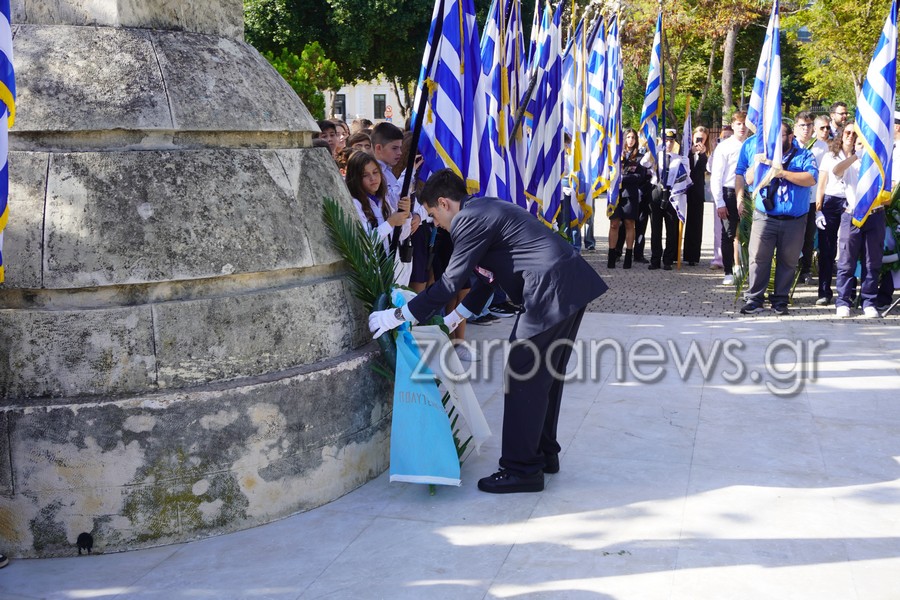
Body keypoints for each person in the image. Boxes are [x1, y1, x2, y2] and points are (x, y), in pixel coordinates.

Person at [368, 169, 608, 494]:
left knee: (524, 373)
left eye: (434, 215)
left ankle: (522, 469)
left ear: (444, 203)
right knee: (544, 373)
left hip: (548, 287)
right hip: (565, 282)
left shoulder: (468, 220)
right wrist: (452, 319)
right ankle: (543, 454)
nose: (435, 223)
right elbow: (486, 280)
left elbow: (451, 283)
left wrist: (398, 316)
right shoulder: (481, 211)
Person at [738, 121, 818, 315]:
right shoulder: (763, 154)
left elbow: (811, 178)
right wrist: (759, 162)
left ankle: (780, 300)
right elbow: (747, 178)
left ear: (790, 137)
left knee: (788, 261)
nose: (775, 141)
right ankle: (754, 299)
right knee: (758, 258)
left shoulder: (804, 155)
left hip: (794, 219)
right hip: (765, 217)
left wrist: (782, 173)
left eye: (780, 136)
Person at [832, 136, 888, 318]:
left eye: (866, 144)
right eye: (859, 143)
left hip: (875, 215)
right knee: (846, 261)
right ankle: (843, 301)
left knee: (872, 262)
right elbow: (836, 170)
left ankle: (869, 301)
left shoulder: (880, 165)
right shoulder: (849, 163)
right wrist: (856, 156)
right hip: (852, 215)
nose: (863, 147)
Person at [343, 151, 413, 283]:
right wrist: (390, 223)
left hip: (395, 269)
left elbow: (402, 236)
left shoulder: (383, 200)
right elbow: (365, 242)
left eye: (375, 172)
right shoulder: (355, 204)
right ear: (356, 179)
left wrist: (406, 215)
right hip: (374, 274)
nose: (373, 178)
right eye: (365, 175)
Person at [814, 124, 855, 306]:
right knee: (827, 249)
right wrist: (818, 210)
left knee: (851, 249)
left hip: (851, 203)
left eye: (854, 133)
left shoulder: (861, 154)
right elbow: (821, 184)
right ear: (841, 134)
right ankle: (824, 291)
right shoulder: (830, 156)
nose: (850, 136)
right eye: (847, 132)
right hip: (831, 202)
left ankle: (850, 291)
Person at [710, 111, 750, 285]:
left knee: (749, 234)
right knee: (728, 233)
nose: (742, 127)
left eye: (745, 124)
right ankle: (729, 270)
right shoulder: (724, 147)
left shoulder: (753, 144)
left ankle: (747, 269)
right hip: (729, 193)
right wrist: (719, 201)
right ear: (732, 126)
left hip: (749, 193)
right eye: (738, 124)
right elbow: (716, 176)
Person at [642, 129, 689, 270]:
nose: (668, 143)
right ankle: (655, 259)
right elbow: (644, 163)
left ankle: (668, 260)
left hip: (672, 193)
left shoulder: (680, 158)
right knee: (656, 229)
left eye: (671, 141)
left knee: (671, 228)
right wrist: (653, 150)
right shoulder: (655, 156)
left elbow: (686, 176)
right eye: (666, 140)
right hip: (656, 192)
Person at [608, 128, 648, 268]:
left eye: (633, 137)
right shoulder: (615, 154)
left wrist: (623, 178)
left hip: (630, 195)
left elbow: (640, 176)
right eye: (628, 137)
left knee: (629, 224)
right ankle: (612, 256)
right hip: (615, 195)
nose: (630, 140)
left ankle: (628, 256)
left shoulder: (640, 157)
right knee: (614, 224)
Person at [794, 111, 820, 285]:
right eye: (802, 125)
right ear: (796, 127)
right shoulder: (790, 146)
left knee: (809, 237)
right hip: (795, 200)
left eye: (809, 125)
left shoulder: (820, 146)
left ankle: (806, 269)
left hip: (812, 199)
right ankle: (793, 268)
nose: (806, 129)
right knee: (794, 236)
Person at [683, 126, 711, 265]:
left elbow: (702, 169)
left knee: (695, 223)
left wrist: (701, 154)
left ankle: (692, 256)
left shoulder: (705, 154)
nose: (699, 141)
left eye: (702, 139)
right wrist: (690, 152)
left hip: (697, 191)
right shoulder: (685, 150)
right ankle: (674, 253)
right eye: (697, 137)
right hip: (683, 190)